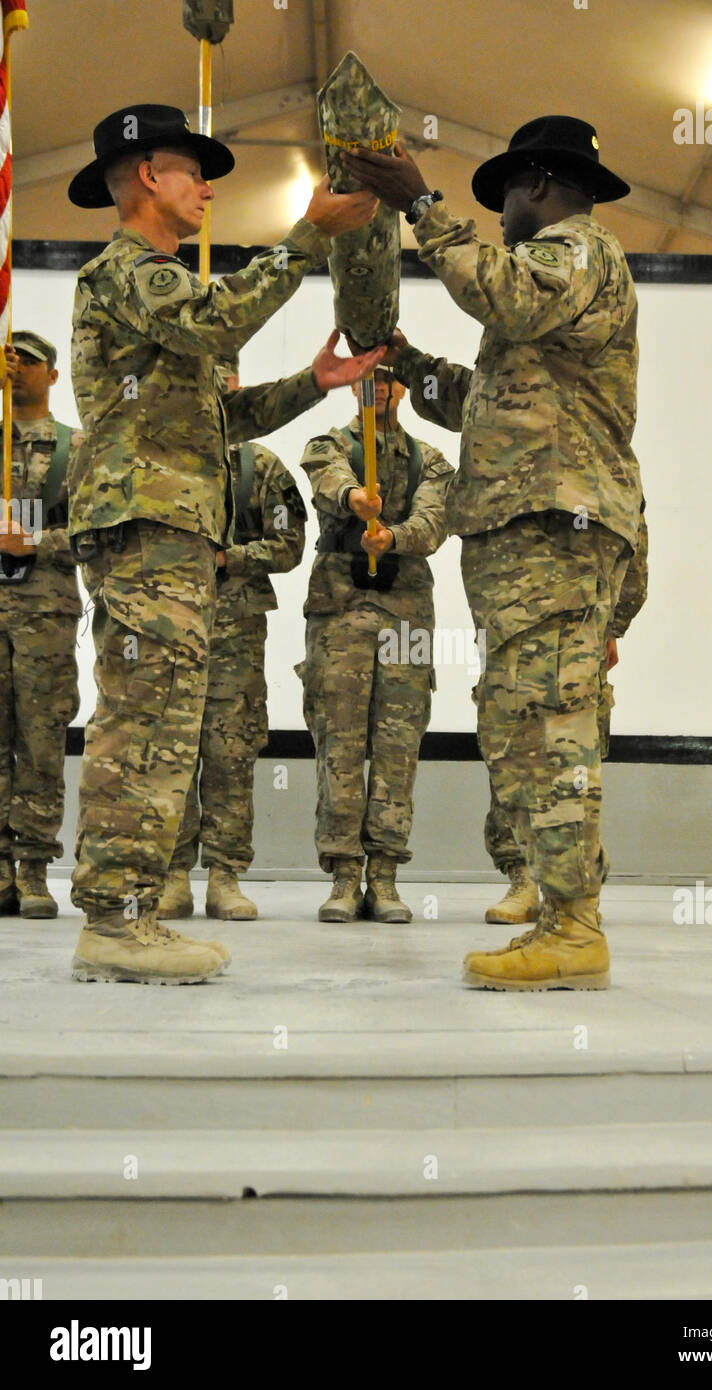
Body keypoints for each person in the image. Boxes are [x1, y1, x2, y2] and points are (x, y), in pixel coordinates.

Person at [66, 103, 382, 985]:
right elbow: (217, 322)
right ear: (143, 178)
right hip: (146, 524)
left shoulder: (161, 287)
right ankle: (116, 920)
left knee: (164, 718)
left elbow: (221, 417)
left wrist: (313, 384)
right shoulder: (128, 272)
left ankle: (126, 914)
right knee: (147, 723)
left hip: (171, 524)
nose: (206, 186)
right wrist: (306, 237)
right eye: (189, 169)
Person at [346, 116, 644, 989]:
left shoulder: (576, 250)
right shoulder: (554, 284)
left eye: (506, 194)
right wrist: (411, 365)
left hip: (555, 532)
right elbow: (490, 404)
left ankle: (575, 929)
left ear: (540, 186)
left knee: (549, 727)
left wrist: (422, 205)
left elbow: (502, 293)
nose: (502, 211)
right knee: (522, 726)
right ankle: (557, 916)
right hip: (525, 535)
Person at [298, 366, 454, 922]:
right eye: (369, 377)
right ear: (355, 385)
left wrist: (393, 536)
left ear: (403, 388)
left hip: (406, 615)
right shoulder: (328, 445)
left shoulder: (430, 459)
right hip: (340, 611)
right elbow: (327, 478)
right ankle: (343, 874)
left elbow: (435, 522)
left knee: (398, 744)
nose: (379, 386)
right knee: (338, 743)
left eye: (388, 377)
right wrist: (354, 499)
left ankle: (383, 876)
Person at [158, 363, 306, 922]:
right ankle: (173, 874)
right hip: (171, 628)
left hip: (236, 632)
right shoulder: (165, 464)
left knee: (230, 752)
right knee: (172, 749)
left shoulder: (261, 468)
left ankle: (225, 874)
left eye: (226, 390)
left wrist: (231, 558)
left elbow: (290, 544)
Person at [484, 512, 648, 924]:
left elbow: (634, 554)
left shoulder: (603, 473)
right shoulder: (519, 473)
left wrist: (613, 626)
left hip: (581, 635)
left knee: (574, 767)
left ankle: (575, 894)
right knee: (514, 755)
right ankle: (523, 879)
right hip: (516, 631)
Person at [0, 332, 82, 918]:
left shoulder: (77, 450)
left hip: (45, 616)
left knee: (41, 742)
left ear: (53, 375)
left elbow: (100, 532)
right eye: (10, 358)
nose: (18, 367)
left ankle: (32, 867)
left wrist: (36, 542)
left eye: (30, 360)